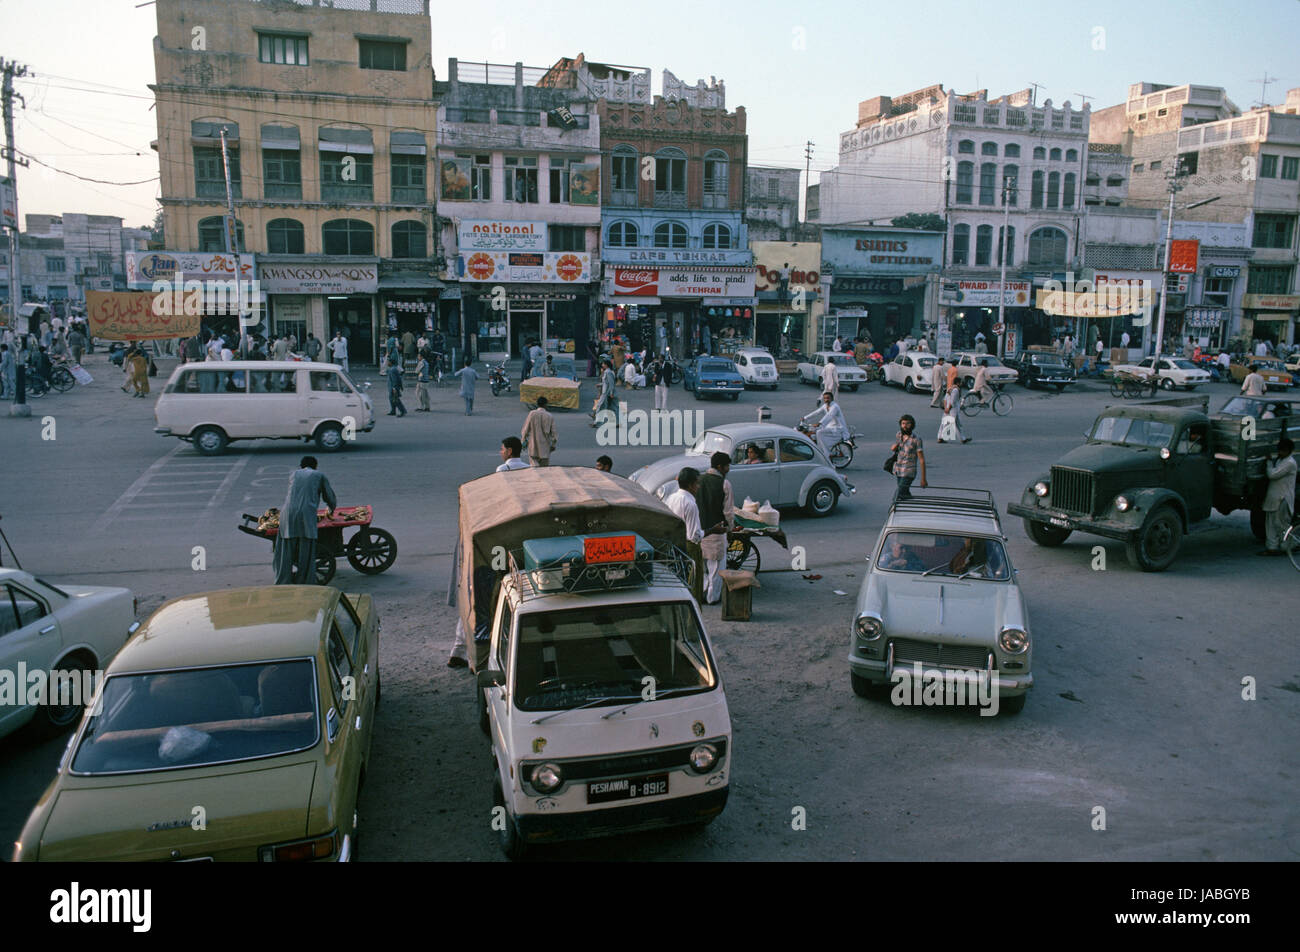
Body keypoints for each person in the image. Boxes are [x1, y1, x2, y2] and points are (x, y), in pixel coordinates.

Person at [273, 456, 337, 584]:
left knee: (286, 547)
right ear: (315, 466)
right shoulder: (319, 475)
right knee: (306, 548)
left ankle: (284, 580)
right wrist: (331, 509)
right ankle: (305, 580)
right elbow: (329, 497)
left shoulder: (293, 474)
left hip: (288, 513)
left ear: (301, 466)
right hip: (306, 515)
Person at [697, 452, 735, 605]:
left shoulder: (698, 480)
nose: (728, 469)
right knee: (716, 570)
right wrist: (730, 529)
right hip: (716, 532)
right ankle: (712, 597)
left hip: (699, 532)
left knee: (704, 568)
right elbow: (728, 512)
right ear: (720, 467)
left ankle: (703, 592)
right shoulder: (724, 484)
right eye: (727, 466)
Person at [890, 414, 928, 499]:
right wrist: (898, 443)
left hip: (909, 471)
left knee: (899, 494)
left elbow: (921, 460)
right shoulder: (899, 435)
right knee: (904, 493)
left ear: (912, 425)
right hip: (898, 470)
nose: (905, 426)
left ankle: (895, 509)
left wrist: (923, 479)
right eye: (903, 423)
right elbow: (893, 448)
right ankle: (911, 506)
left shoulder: (916, 439)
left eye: (908, 424)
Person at [664, 467, 703, 547]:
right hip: (687, 548)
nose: (698, 486)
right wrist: (711, 531)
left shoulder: (671, 498)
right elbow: (694, 537)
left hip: (672, 544)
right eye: (697, 483)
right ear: (690, 485)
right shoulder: (691, 504)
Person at [802, 391, 848, 458]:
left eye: (828, 398)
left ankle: (826, 453)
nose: (826, 400)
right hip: (829, 426)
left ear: (832, 399)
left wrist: (820, 423)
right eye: (825, 398)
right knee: (812, 431)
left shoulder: (835, 407)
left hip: (837, 428)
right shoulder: (825, 406)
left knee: (819, 432)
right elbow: (816, 412)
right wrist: (805, 417)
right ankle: (819, 448)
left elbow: (829, 416)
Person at [521, 396, 557, 467]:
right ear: (545, 404)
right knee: (544, 469)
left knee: (534, 469)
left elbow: (525, 429)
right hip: (545, 448)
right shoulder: (549, 416)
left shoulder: (532, 414)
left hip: (533, 447)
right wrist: (553, 445)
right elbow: (554, 433)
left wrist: (523, 440)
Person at [590, 358, 616, 427]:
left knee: (599, 406)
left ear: (606, 365)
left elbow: (611, 384)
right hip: (605, 392)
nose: (602, 365)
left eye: (603, 364)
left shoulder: (608, 372)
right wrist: (600, 384)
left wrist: (611, 393)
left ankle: (597, 423)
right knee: (608, 407)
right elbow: (605, 383)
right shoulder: (607, 372)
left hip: (606, 393)